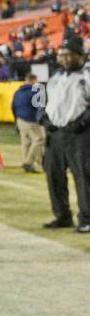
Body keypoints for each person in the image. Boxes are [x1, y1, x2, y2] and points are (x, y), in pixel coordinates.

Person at [39, 33, 90, 231]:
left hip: (79, 134)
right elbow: (39, 97)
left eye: (69, 54)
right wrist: (42, 117)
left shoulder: (86, 75)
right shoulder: (54, 76)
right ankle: (62, 215)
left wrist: (83, 122)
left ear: (80, 55)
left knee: (83, 177)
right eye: (62, 54)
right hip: (55, 134)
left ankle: (87, 218)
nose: (65, 58)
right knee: (54, 176)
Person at [12, 72, 46, 173]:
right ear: (34, 80)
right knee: (39, 140)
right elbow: (40, 108)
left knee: (26, 142)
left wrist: (16, 119)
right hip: (30, 119)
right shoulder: (35, 92)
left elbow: (13, 106)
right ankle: (28, 162)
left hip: (19, 119)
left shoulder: (17, 92)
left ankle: (26, 160)